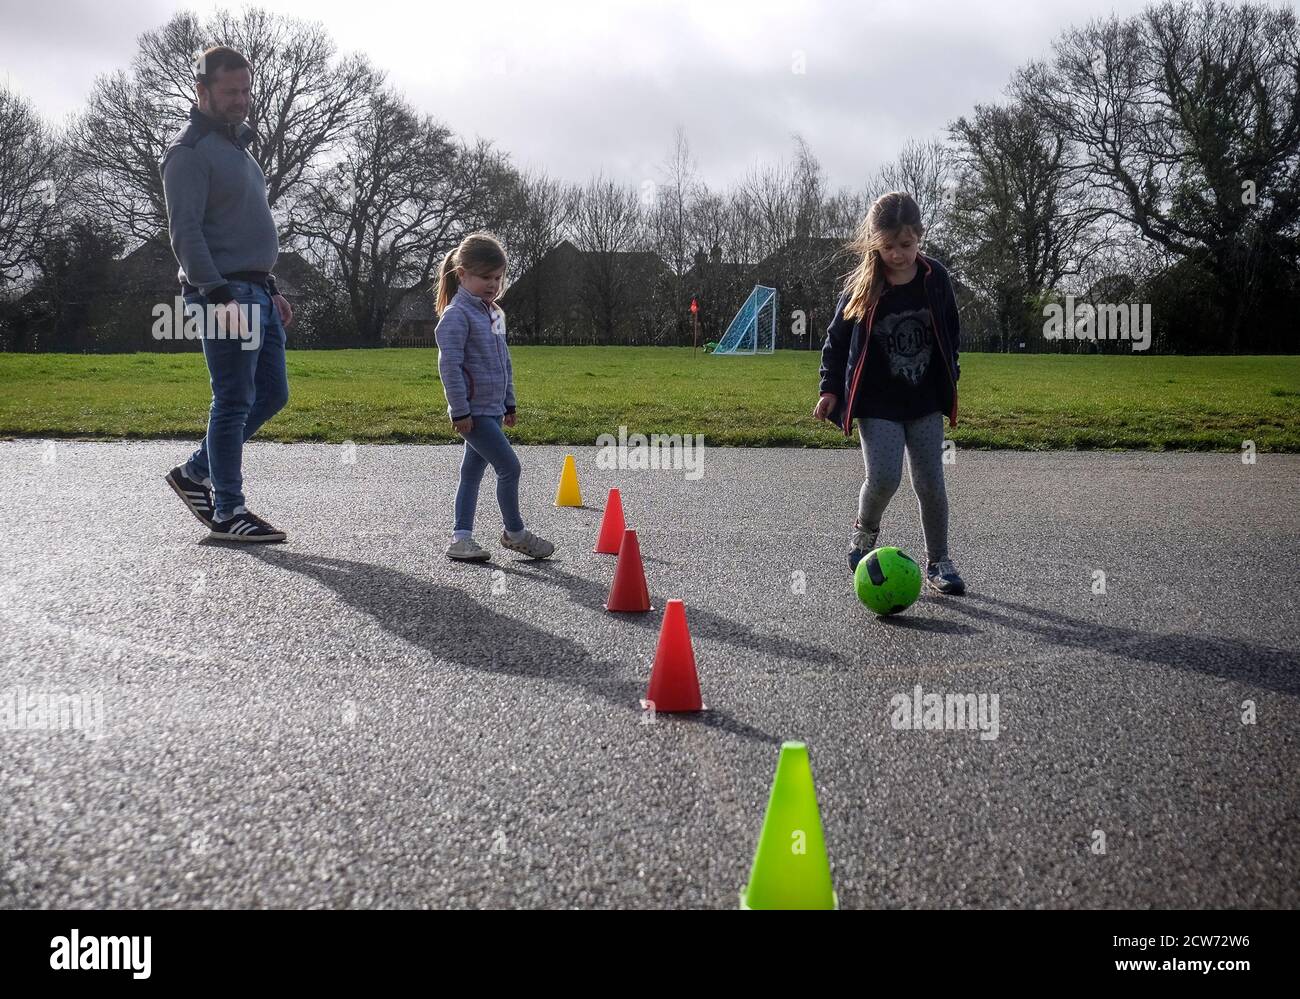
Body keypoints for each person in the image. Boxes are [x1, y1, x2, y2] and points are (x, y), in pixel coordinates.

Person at [160, 45, 292, 543]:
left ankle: (195, 473)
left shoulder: (238, 148)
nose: (241, 99)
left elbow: (241, 226)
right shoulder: (188, 151)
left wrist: (271, 287)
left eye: (245, 90)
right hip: (222, 292)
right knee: (234, 399)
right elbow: (186, 234)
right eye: (230, 91)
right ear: (202, 91)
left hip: (256, 290)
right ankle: (228, 511)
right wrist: (218, 297)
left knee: (272, 393)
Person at [813, 191, 966, 594]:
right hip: (878, 402)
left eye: (906, 245)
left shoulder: (937, 279)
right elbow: (837, 341)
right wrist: (829, 389)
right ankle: (865, 530)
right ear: (874, 242)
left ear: (920, 236)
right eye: (888, 247)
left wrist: (953, 377)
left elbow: (950, 330)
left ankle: (940, 562)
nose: (898, 254)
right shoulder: (863, 285)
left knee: (931, 483)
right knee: (883, 479)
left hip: (924, 401)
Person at [434, 232, 555, 562]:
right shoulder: (456, 316)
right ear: (462, 275)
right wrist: (459, 412)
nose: (493, 284)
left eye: (498, 277)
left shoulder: (496, 314)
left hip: (491, 409)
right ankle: (514, 532)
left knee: (471, 474)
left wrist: (509, 401)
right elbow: (450, 367)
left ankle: (461, 538)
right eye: (485, 277)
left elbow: (504, 361)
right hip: (472, 413)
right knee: (509, 468)